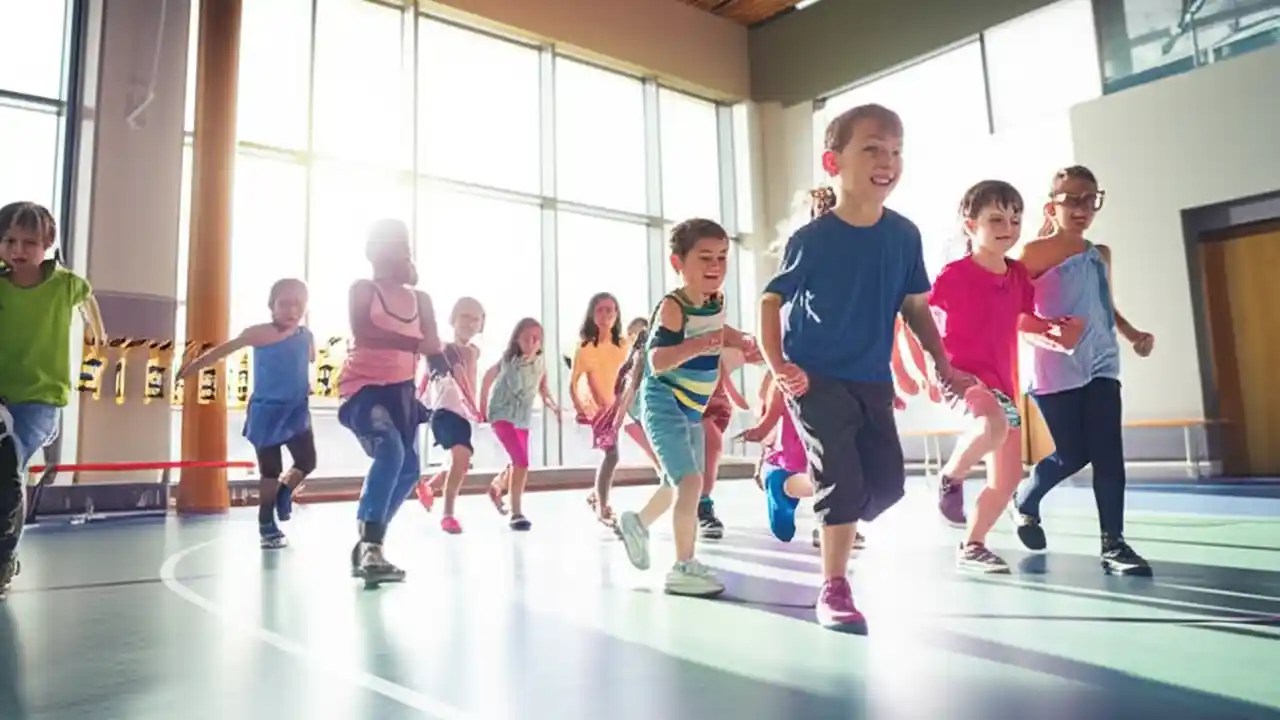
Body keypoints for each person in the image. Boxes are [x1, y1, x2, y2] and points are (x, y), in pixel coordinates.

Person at [759, 105, 975, 633]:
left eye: (896, 150)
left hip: (871, 377)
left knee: (885, 486)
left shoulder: (904, 236)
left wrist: (942, 365)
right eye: (873, 148)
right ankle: (834, 586)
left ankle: (783, 485)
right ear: (834, 162)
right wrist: (779, 364)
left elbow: (915, 307)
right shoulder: (812, 239)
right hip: (814, 376)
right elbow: (770, 301)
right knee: (840, 475)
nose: (888, 160)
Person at [927, 180, 1082, 572]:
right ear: (970, 224)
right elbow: (918, 321)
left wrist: (1050, 329)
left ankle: (973, 544)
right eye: (996, 218)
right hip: (963, 378)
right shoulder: (953, 275)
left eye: (1015, 219)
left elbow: (1023, 320)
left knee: (1009, 477)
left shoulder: (1016, 276)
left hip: (1004, 387)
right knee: (990, 424)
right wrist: (927, 370)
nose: (1007, 227)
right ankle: (950, 477)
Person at [1010, 166, 1154, 576]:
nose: (1081, 207)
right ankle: (1025, 498)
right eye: (1070, 198)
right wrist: (1048, 330)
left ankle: (1114, 544)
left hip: (1103, 362)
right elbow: (1014, 313)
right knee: (1073, 454)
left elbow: (1105, 304)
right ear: (1050, 205)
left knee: (1109, 453)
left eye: (1089, 198)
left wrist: (1131, 334)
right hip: (1054, 366)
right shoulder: (1032, 254)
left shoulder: (1100, 254)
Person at [614, 219, 758, 597]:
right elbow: (658, 360)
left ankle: (638, 523)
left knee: (674, 483)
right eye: (705, 257)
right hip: (664, 401)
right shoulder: (673, 308)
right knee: (690, 482)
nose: (715, 266)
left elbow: (720, 331)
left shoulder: (716, 300)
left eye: (723, 257)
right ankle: (682, 567)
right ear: (678, 262)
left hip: (693, 407)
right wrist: (704, 343)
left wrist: (740, 340)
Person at [0, 201, 106, 599]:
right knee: (7, 476)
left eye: (29, 242)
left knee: (8, 466)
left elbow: (88, 298)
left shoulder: (65, 284)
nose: (18, 250)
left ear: (47, 245)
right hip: (2, 395)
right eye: (9, 240)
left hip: (41, 399)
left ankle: (4, 557)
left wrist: (98, 330)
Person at [339, 219, 447, 586]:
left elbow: (432, 345)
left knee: (409, 470)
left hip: (402, 392)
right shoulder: (362, 289)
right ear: (370, 250)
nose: (387, 248)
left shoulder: (423, 300)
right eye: (379, 241)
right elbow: (364, 331)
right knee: (389, 449)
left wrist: (444, 361)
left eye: (395, 242)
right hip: (364, 388)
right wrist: (418, 346)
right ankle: (371, 546)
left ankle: (371, 536)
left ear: (404, 250)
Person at [177, 278, 318, 549]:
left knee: (307, 461)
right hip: (267, 412)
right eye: (285, 303)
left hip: (296, 410)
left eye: (298, 304)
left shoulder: (306, 336)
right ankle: (266, 521)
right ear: (272, 306)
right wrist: (193, 367)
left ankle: (284, 492)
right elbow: (222, 351)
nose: (292, 310)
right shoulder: (259, 333)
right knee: (270, 470)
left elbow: (308, 360)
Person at [479, 317, 559, 530]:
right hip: (502, 414)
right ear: (517, 339)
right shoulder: (509, 361)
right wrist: (481, 407)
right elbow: (492, 379)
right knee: (521, 461)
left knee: (519, 461)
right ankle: (516, 513)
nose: (532, 342)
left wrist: (553, 406)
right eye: (526, 338)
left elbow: (543, 388)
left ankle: (497, 485)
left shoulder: (540, 363)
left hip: (522, 418)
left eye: (536, 338)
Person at [415, 297, 484, 534]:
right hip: (444, 412)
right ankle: (448, 514)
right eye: (465, 316)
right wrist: (418, 403)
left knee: (461, 463)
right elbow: (445, 378)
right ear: (453, 319)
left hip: (463, 414)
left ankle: (430, 486)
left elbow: (471, 381)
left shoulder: (474, 351)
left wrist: (474, 409)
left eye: (476, 319)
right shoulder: (442, 349)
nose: (470, 323)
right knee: (461, 457)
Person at [568, 293, 628, 524]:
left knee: (612, 455)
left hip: (620, 408)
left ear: (616, 315)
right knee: (612, 455)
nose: (606, 315)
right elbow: (574, 382)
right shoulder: (584, 347)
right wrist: (580, 409)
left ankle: (597, 494)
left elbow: (631, 372)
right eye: (601, 310)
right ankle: (603, 506)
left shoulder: (623, 345)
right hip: (598, 411)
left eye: (610, 310)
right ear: (592, 314)